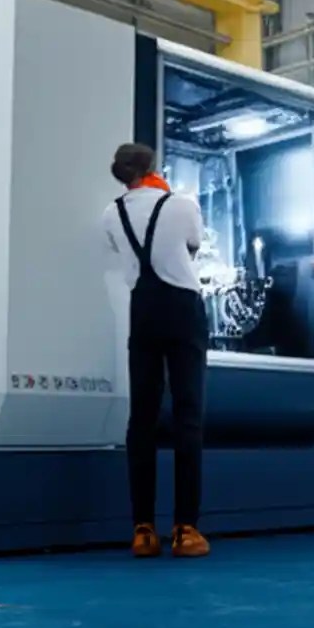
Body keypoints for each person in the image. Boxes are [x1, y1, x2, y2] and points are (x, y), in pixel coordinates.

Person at [102, 143, 211, 558]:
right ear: (152, 168)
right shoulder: (182, 205)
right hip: (182, 309)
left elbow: (121, 253)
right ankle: (186, 529)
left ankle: (142, 530)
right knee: (188, 416)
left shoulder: (112, 213)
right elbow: (193, 247)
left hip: (142, 310)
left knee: (141, 419)